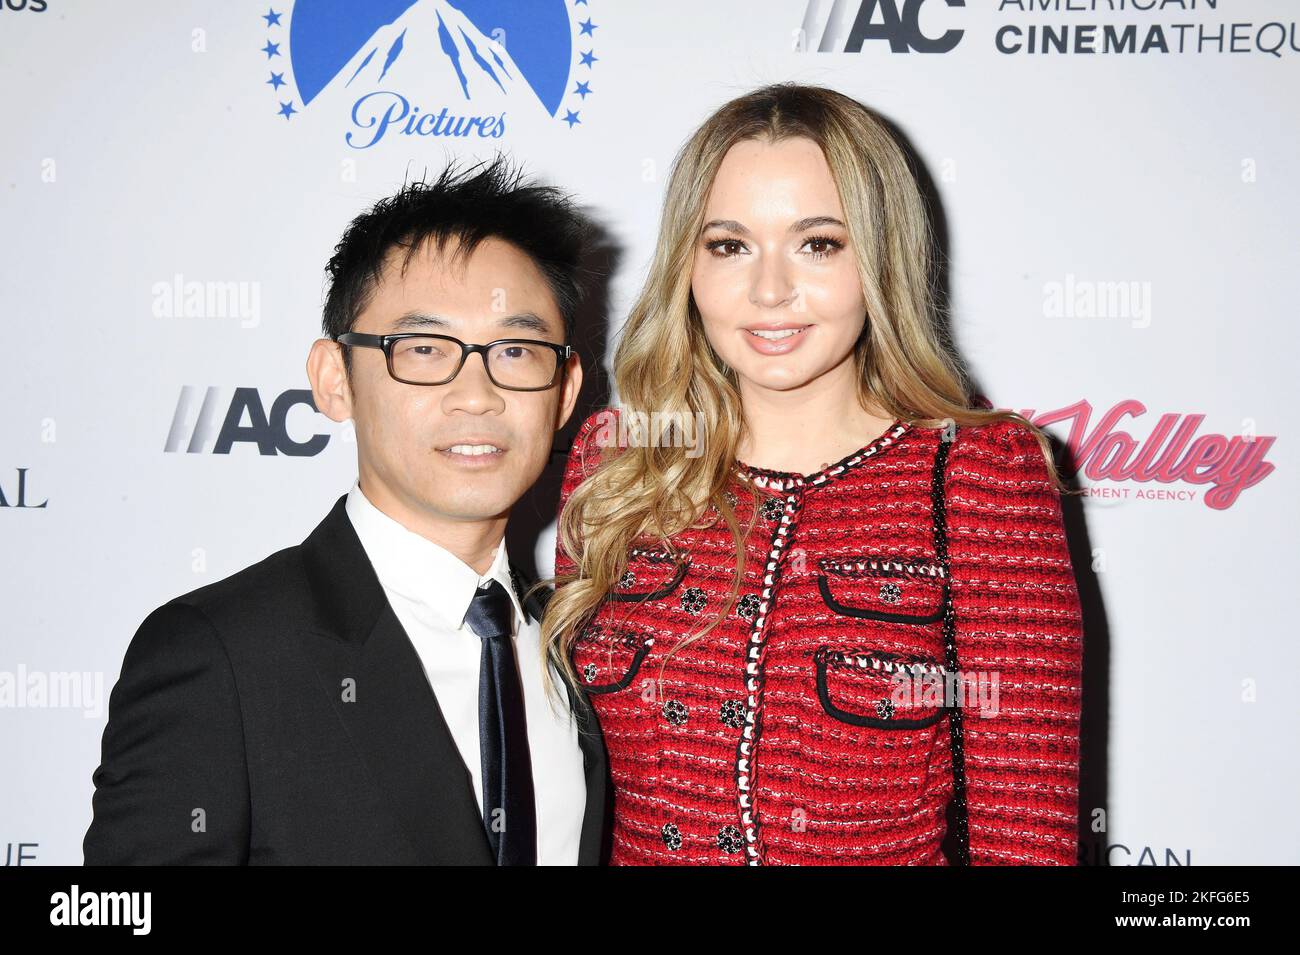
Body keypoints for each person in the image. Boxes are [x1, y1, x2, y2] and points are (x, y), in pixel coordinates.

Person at [544, 83, 1085, 865]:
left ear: (880, 254)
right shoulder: (618, 461)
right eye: (728, 245)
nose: (769, 291)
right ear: (685, 265)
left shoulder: (977, 473)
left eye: (819, 243)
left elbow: (1025, 837)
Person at [84, 156, 608, 865]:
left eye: (516, 349)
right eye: (423, 348)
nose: (477, 393)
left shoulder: (586, 647)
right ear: (335, 380)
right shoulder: (221, 655)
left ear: (566, 389)